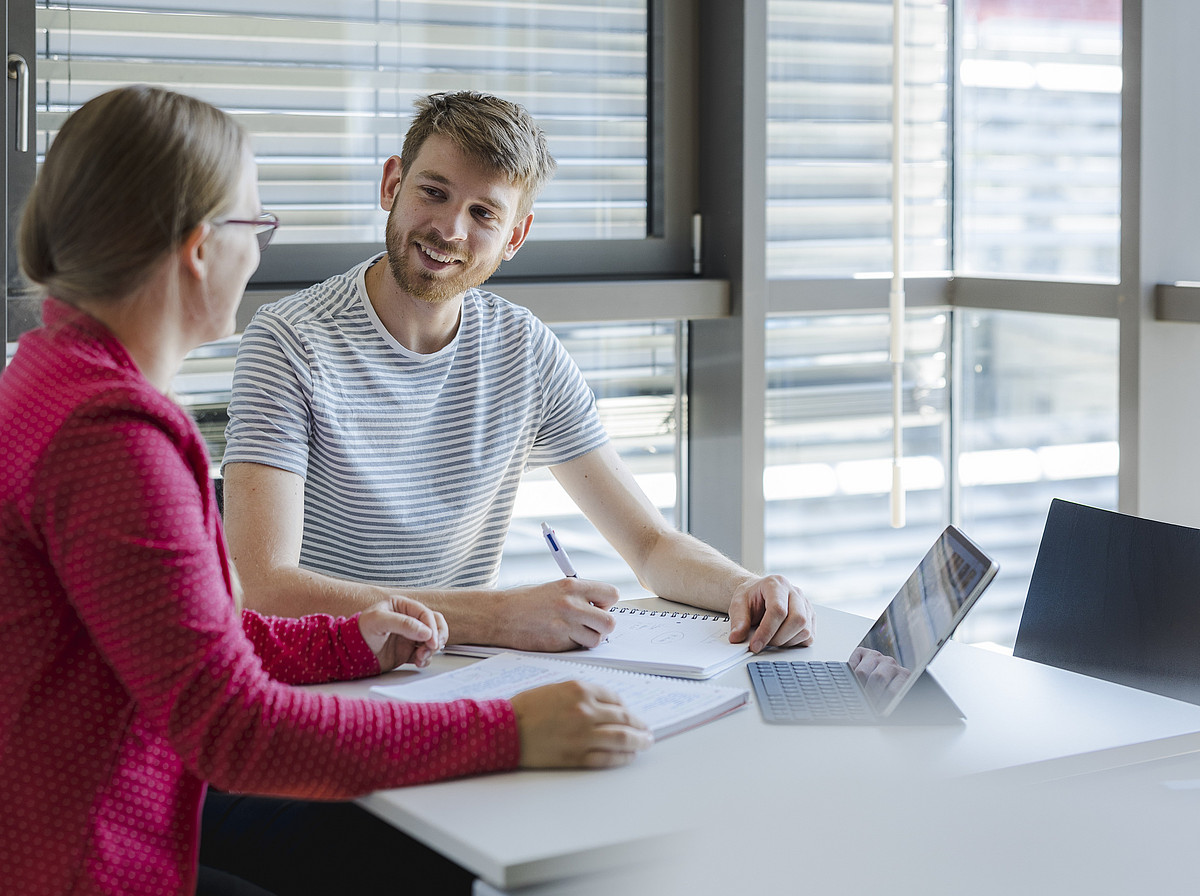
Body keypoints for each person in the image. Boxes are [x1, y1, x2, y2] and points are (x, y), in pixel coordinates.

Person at [0, 84, 653, 896]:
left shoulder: (51, 376)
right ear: (204, 248)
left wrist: (344, 642)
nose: (260, 252)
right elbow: (233, 728)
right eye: (256, 224)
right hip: (88, 866)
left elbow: (191, 634)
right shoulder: (114, 435)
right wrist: (507, 729)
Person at [222, 90, 815, 655]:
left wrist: (744, 588)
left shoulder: (523, 349)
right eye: (432, 192)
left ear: (515, 236)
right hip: (327, 672)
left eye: (483, 212)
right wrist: (497, 618)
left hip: (461, 666)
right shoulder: (290, 340)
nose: (450, 230)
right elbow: (262, 585)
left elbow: (651, 545)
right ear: (392, 184)